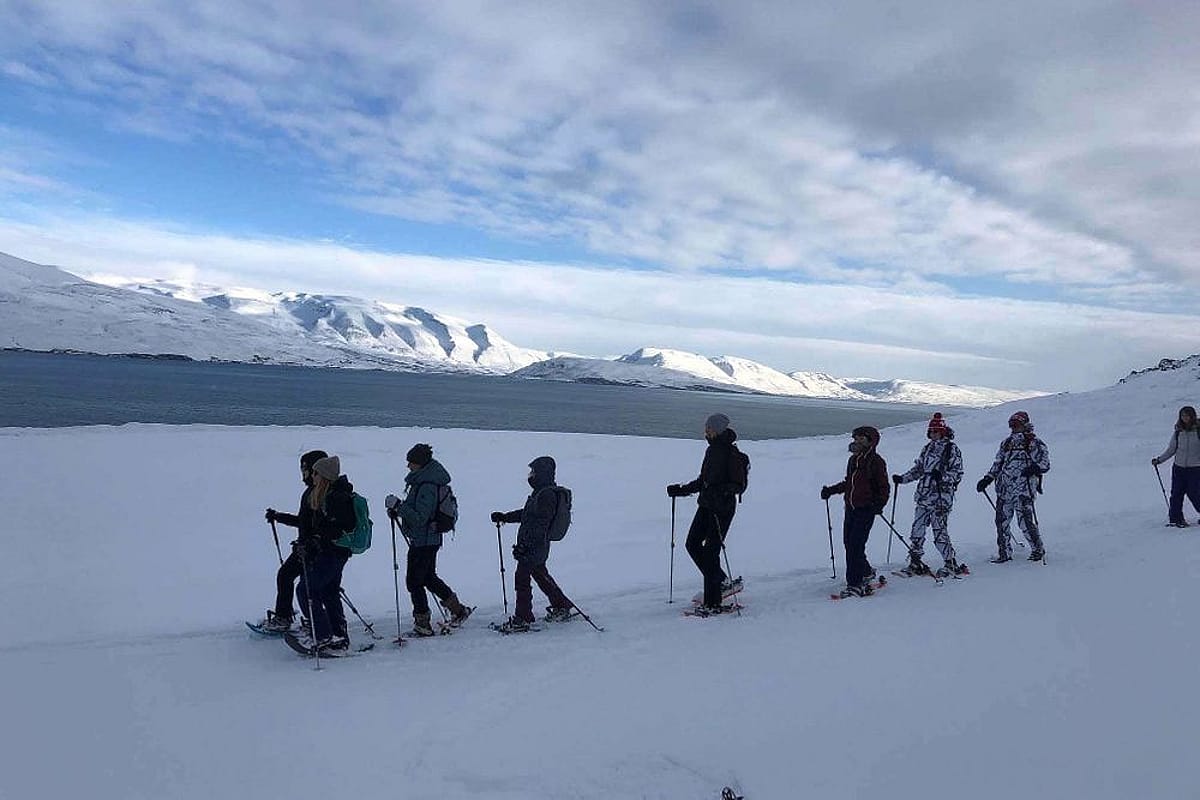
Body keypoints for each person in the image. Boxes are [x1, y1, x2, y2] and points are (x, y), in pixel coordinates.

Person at [385, 443, 472, 636]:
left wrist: (399, 506)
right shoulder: (424, 481)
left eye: (411, 462)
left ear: (421, 464)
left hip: (424, 540)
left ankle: (423, 623)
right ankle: (458, 610)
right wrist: (399, 510)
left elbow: (420, 518)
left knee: (415, 581)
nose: (408, 466)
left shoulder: (427, 486)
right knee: (428, 578)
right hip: (427, 539)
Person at [667, 413, 744, 615]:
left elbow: (738, 485)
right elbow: (704, 481)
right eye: (706, 428)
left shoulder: (730, 453)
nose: (705, 432)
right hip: (706, 505)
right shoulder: (711, 450)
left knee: (711, 552)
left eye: (709, 429)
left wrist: (720, 491)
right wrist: (681, 490)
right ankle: (720, 581)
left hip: (722, 509)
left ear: (717, 430)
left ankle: (713, 602)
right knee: (692, 544)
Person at [490, 456, 575, 633]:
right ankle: (561, 605)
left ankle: (523, 618)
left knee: (522, 579)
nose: (530, 476)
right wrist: (505, 517)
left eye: (533, 472)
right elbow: (527, 515)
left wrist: (526, 547)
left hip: (535, 546)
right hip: (536, 546)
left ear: (542, 474)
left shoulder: (546, 495)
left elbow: (540, 525)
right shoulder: (541, 493)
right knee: (540, 575)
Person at [291, 455, 356, 652]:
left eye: (316, 473)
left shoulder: (336, 497)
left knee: (306, 590)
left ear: (324, 476)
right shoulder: (327, 494)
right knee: (329, 591)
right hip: (333, 552)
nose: (312, 476)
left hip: (332, 553)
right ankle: (337, 635)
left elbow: (341, 527)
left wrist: (316, 539)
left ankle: (323, 635)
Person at [260, 449, 329, 633]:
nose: (303, 473)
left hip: (312, 548)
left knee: (292, 579)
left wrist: (311, 542)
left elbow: (319, 526)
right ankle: (295, 617)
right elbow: (304, 522)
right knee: (293, 579)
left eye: (305, 469)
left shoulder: (318, 493)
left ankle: (290, 618)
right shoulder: (312, 492)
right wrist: (279, 516)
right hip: (306, 547)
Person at [893, 413, 968, 578]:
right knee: (917, 530)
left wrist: (942, 476)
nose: (933, 434)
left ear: (943, 432)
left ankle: (950, 562)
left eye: (936, 431)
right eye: (931, 431)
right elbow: (919, 470)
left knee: (939, 530)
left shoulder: (951, 449)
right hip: (924, 495)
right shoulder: (927, 448)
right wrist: (903, 479)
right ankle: (915, 561)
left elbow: (958, 473)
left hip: (941, 497)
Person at [821, 426, 889, 598]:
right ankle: (866, 572)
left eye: (861, 439)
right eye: (855, 438)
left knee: (855, 546)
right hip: (850, 508)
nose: (857, 441)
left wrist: (878, 505)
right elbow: (849, 484)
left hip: (866, 509)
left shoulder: (876, 462)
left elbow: (884, 488)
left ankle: (855, 584)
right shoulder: (853, 460)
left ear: (871, 441)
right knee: (849, 543)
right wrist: (831, 490)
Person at [976, 411, 1051, 562]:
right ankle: (1004, 553)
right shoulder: (1007, 443)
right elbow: (998, 463)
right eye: (1011, 425)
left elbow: (1045, 463)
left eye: (1016, 425)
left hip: (1024, 489)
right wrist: (988, 478)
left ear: (1025, 425)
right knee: (1001, 522)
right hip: (1004, 488)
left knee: (1025, 522)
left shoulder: (1034, 442)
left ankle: (1037, 550)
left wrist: (1035, 468)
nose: (1013, 428)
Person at [1152, 405, 1200, 527]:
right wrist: (1159, 460)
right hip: (1179, 468)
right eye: (1182, 415)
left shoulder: (1198, 431)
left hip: (1195, 468)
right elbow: (1171, 449)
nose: (1185, 418)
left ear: (1192, 416)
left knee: (1194, 493)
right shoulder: (1178, 432)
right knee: (1176, 494)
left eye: (1187, 415)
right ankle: (1176, 519)